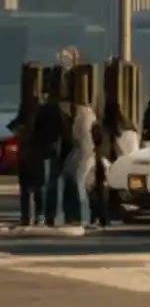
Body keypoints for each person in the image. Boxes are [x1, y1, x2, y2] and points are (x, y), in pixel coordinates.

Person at [33, 86, 67, 226]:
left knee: (43, 183)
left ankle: (42, 214)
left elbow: (36, 129)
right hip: (53, 148)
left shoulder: (42, 110)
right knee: (52, 184)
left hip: (44, 148)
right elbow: (63, 129)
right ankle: (51, 215)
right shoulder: (58, 110)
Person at [62, 94, 97, 228]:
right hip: (85, 151)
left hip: (84, 151)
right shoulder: (87, 113)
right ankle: (79, 216)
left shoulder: (82, 115)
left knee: (78, 182)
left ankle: (82, 216)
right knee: (77, 181)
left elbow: (78, 136)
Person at [8, 101, 43, 227]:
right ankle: (36, 215)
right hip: (33, 155)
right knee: (35, 187)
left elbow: (11, 127)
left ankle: (27, 216)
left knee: (27, 189)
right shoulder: (39, 118)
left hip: (27, 155)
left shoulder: (27, 119)